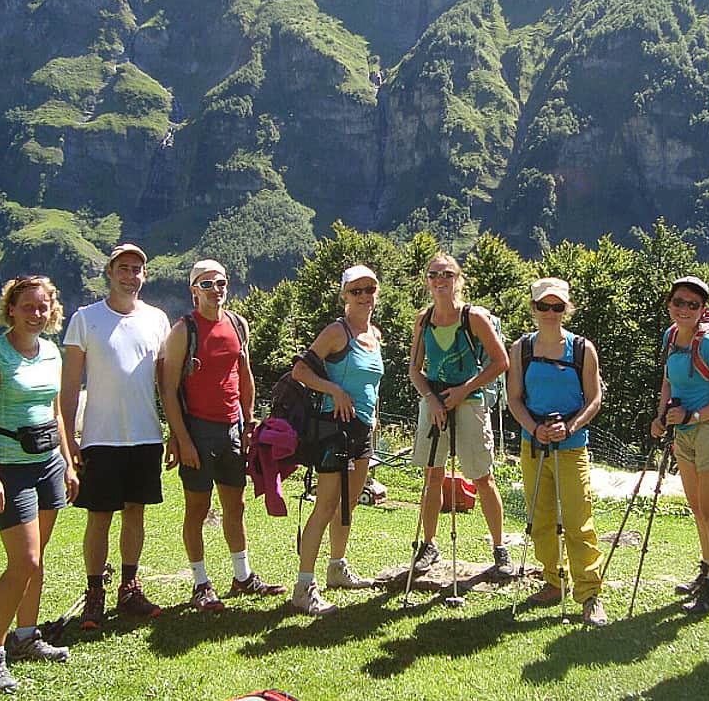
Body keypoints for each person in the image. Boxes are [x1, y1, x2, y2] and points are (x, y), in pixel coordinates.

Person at [0, 276, 80, 692]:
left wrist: (68, 464)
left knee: (37, 557)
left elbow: (56, 412)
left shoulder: (50, 352)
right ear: (10, 310)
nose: (36, 314)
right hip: (9, 469)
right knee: (24, 561)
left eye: (43, 306)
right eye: (28, 306)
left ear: (53, 311)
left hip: (47, 463)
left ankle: (26, 636)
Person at [161, 258, 286, 612]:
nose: (216, 290)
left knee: (236, 506)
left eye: (221, 283)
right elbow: (168, 389)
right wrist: (182, 439)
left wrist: (249, 421)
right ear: (194, 290)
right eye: (207, 284)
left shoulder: (237, 324)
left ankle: (242, 577)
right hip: (198, 430)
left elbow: (244, 375)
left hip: (232, 428)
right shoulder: (184, 331)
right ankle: (200, 584)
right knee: (197, 508)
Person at [60, 243, 171, 629]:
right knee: (99, 516)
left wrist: (174, 432)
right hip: (100, 437)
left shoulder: (157, 320)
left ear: (145, 275)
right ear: (109, 272)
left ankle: (129, 587)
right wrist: (68, 439)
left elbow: (165, 385)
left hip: (145, 435)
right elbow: (69, 387)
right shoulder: (85, 319)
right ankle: (95, 592)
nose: (130, 275)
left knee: (135, 512)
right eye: (123, 268)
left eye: (136, 269)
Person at [506, 278, 606, 626]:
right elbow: (514, 399)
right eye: (544, 306)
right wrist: (535, 429)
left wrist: (570, 427)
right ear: (533, 308)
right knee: (541, 519)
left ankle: (589, 594)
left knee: (578, 521)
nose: (550, 312)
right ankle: (553, 580)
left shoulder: (582, 349)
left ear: (566, 308)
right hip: (533, 445)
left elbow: (594, 399)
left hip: (571, 447)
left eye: (557, 306)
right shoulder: (520, 349)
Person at [407, 253, 512, 576]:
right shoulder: (423, 319)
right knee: (432, 476)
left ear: (458, 279)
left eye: (447, 274)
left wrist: (464, 390)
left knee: (482, 477)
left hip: (469, 402)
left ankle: (500, 548)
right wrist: (431, 399)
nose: (440, 280)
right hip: (434, 402)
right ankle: (429, 544)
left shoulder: (473, 317)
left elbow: (501, 362)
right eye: (434, 274)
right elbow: (414, 369)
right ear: (427, 280)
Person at [288, 265, 385, 615]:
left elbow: (371, 384)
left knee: (349, 503)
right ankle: (304, 587)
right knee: (326, 505)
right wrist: (334, 390)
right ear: (344, 295)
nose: (364, 296)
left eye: (369, 289)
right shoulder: (336, 332)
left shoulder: (375, 335)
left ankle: (337, 568)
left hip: (362, 430)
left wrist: (373, 417)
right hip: (335, 429)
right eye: (356, 291)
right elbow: (300, 370)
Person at [649, 275, 709, 614]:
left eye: (693, 304)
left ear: (703, 309)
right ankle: (706, 571)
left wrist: (694, 416)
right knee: (698, 508)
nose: (684, 309)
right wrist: (662, 415)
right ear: (669, 304)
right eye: (679, 302)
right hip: (685, 433)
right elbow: (668, 381)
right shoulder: (671, 336)